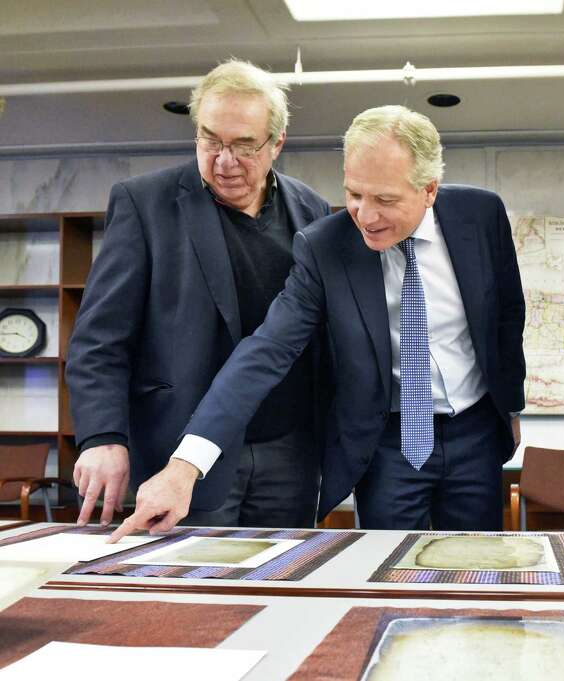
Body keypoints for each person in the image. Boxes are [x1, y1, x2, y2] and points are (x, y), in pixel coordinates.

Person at [108, 104, 525, 540]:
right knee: (390, 571)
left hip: (474, 432)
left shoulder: (480, 217)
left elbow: (506, 316)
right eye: (354, 194)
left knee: (478, 566)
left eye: (385, 199)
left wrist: (510, 404)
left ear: (429, 189)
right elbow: (266, 350)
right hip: (386, 442)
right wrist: (184, 466)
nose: (365, 215)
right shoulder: (326, 247)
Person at [66, 59, 330, 530]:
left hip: (288, 450)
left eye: (244, 146)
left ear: (277, 143)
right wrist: (103, 436)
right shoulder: (145, 203)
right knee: (186, 589)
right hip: (179, 445)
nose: (224, 161)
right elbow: (99, 340)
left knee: (283, 576)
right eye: (211, 140)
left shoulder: (310, 208)